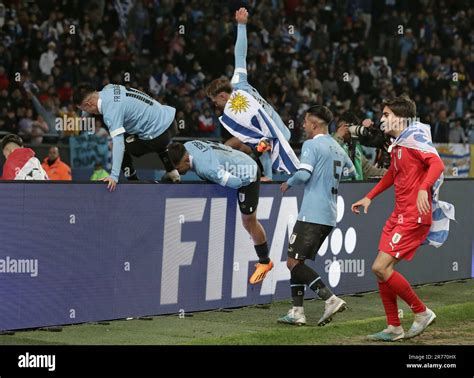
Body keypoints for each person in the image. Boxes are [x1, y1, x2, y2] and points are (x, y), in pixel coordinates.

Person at [351, 95, 445, 341]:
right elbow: (391, 174)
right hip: (399, 214)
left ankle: (421, 312)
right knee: (383, 271)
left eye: (386, 114)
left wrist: (424, 187)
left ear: (401, 119)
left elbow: (437, 165)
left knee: (380, 267)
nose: (382, 119)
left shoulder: (415, 141)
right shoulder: (401, 144)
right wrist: (369, 197)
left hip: (413, 215)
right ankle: (394, 327)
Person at [278, 105, 355, 326]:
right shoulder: (337, 147)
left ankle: (329, 298)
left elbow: (304, 173)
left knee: (292, 262)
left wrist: (288, 182)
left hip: (312, 213)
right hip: (329, 215)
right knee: (297, 261)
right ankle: (297, 312)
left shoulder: (311, 144)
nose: (302, 125)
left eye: (305, 121)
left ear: (314, 124)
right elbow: (350, 172)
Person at [205, 7, 296, 181]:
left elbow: (240, 54)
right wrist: (241, 25)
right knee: (233, 146)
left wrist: (241, 26)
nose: (214, 105)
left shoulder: (238, 96)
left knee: (256, 146)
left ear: (223, 96)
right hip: (277, 132)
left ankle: (268, 177)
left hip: (278, 137)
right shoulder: (237, 83)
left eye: (214, 101)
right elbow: (240, 56)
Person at [168, 140, 273, 285]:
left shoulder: (207, 169)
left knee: (248, 221)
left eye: (177, 167)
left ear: (186, 159)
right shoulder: (188, 145)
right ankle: (257, 151)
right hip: (235, 159)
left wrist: (219, 177)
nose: (177, 171)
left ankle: (265, 262)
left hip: (247, 175)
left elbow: (236, 183)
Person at [74, 83, 180, 191]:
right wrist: (84, 114)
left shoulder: (111, 112)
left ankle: (133, 182)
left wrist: (114, 176)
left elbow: (118, 144)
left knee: (119, 145)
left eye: (85, 109)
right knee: (137, 129)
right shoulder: (109, 88)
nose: (87, 113)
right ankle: (171, 170)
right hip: (170, 122)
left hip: (158, 136)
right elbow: (90, 101)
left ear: (89, 104)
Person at [333, 112, 387, 180]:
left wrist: (390, 173)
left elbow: (368, 170)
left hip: (357, 188)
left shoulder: (355, 149)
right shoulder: (329, 142)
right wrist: (338, 136)